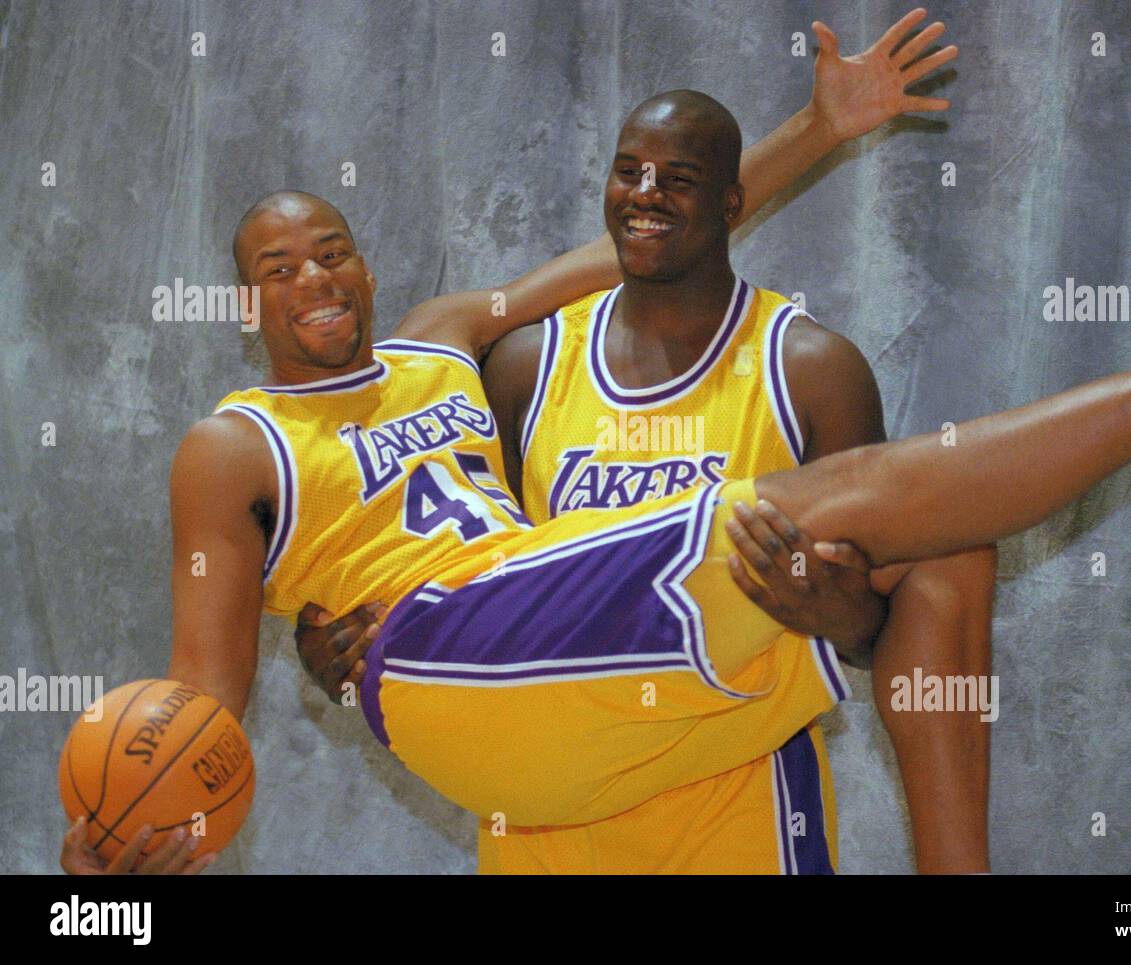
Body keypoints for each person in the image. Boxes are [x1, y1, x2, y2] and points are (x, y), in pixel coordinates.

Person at [60, 11, 964, 875]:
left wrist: (819, 127)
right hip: (511, 737)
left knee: (934, 537)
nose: (315, 279)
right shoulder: (288, 430)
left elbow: (640, 236)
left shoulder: (446, 340)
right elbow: (220, 674)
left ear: (367, 267)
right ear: (246, 306)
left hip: (667, 739)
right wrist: (139, 806)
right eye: (279, 269)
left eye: (332, 252)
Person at [303, 88, 996, 874]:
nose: (644, 194)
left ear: (730, 202)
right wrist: (340, 634)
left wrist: (843, 616)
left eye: (676, 178)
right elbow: (450, 559)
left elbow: (882, 621)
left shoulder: (807, 370)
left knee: (957, 541)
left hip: (737, 817)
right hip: (550, 823)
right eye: (628, 171)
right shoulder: (526, 366)